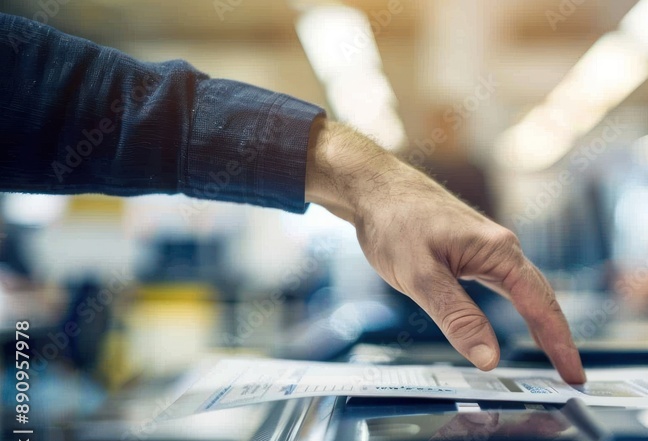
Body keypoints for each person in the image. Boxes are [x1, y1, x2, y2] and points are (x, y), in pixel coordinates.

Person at [0, 13, 585, 383]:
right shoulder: (429, 161)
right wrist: (366, 178)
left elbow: (64, 94)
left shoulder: (466, 166)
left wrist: (358, 175)